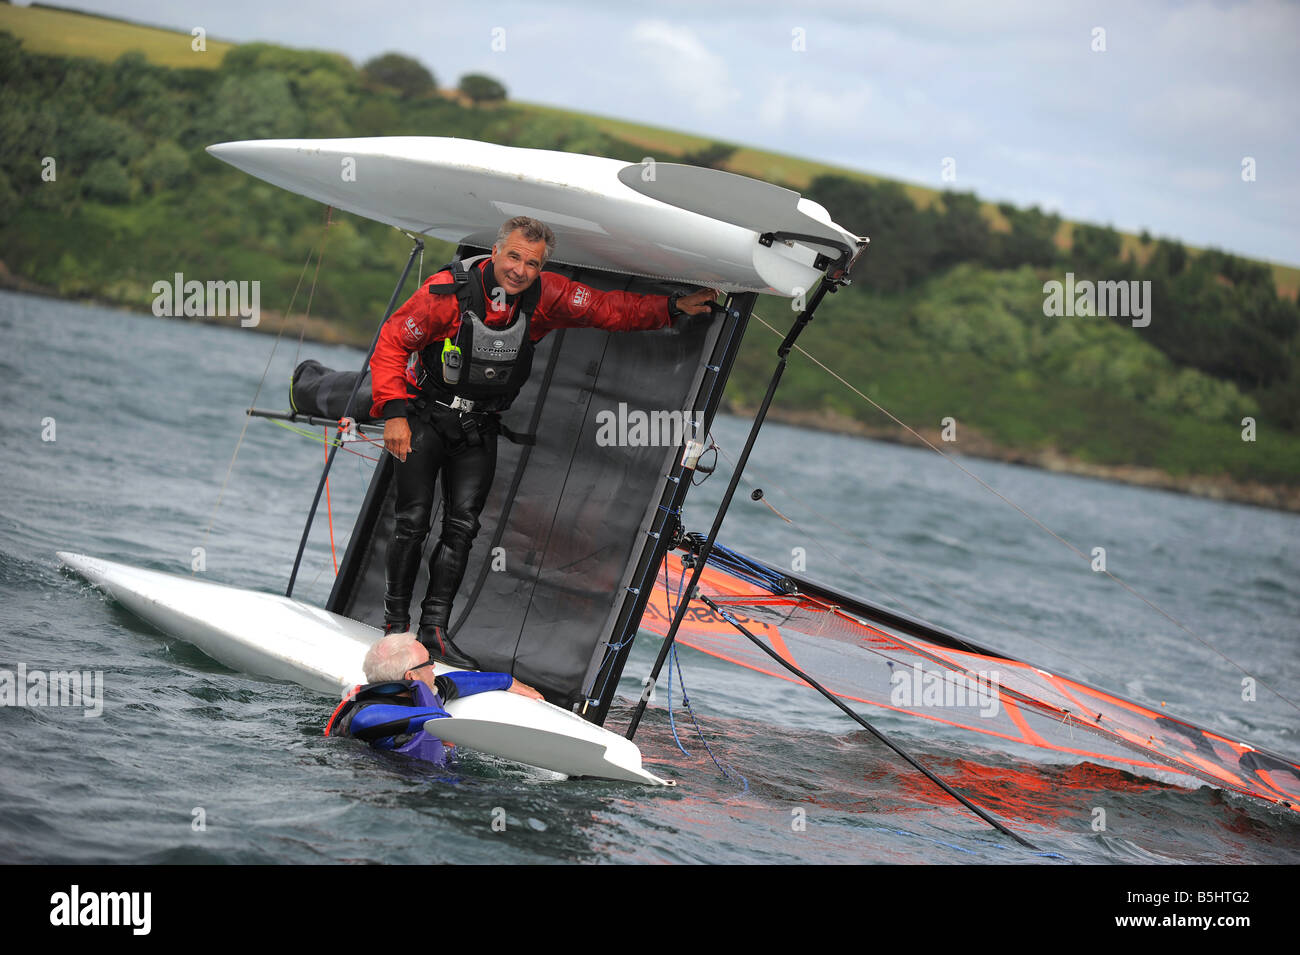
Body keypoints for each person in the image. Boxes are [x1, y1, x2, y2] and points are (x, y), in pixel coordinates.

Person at [369, 215, 718, 667]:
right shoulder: (447, 293)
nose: (520, 270)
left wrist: (672, 307)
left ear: (541, 267)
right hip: (423, 419)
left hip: (478, 428)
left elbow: (607, 309)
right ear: (495, 253)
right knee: (412, 522)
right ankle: (395, 629)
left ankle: (434, 632)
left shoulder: (547, 294)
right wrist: (394, 414)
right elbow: (393, 343)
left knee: (462, 529)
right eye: (513, 256)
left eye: (531, 263)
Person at [325, 632, 543, 764]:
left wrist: (507, 681)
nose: (433, 666)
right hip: (390, 788)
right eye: (428, 661)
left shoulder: (426, 691)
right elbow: (365, 720)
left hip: (431, 779)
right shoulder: (366, 711)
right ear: (412, 677)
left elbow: (455, 682)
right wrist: (440, 721)